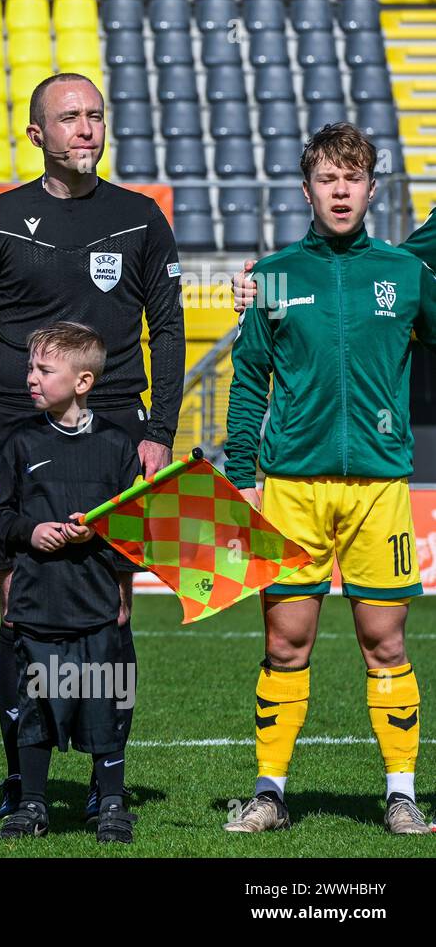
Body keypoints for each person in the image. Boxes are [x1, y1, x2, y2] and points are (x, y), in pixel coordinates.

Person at [0, 73, 184, 819]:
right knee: (20, 610)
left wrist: (159, 433)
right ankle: (25, 786)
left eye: (96, 116)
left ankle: (105, 790)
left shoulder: (141, 218)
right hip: (15, 429)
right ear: (37, 135)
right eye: (70, 118)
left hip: (118, 427)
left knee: (113, 613)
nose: (86, 129)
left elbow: (169, 329)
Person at [223, 123, 436, 835]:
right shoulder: (275, 274)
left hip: (381, 488)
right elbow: (250, 378)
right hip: (290, 489)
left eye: (353, 178)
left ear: (372, 189)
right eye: (327, 179)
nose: (340, 191)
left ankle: (401, 795)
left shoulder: (407, 274)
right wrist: (240, 473)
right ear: (308, 188)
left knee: (387, 642)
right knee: (287, 644)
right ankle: (269, 793)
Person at [0, 323, 141, 843]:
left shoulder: (119, 446)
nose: (31, 378)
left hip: (95, 605)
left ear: (83, 380)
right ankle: (31, 804)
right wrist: (32, 530)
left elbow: (136, 531)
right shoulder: (18, 442)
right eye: (30, 367)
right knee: (36, 708)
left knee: (104, 703)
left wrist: (102, 536)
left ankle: (111, 803)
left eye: (44, 370)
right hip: (37, 605)